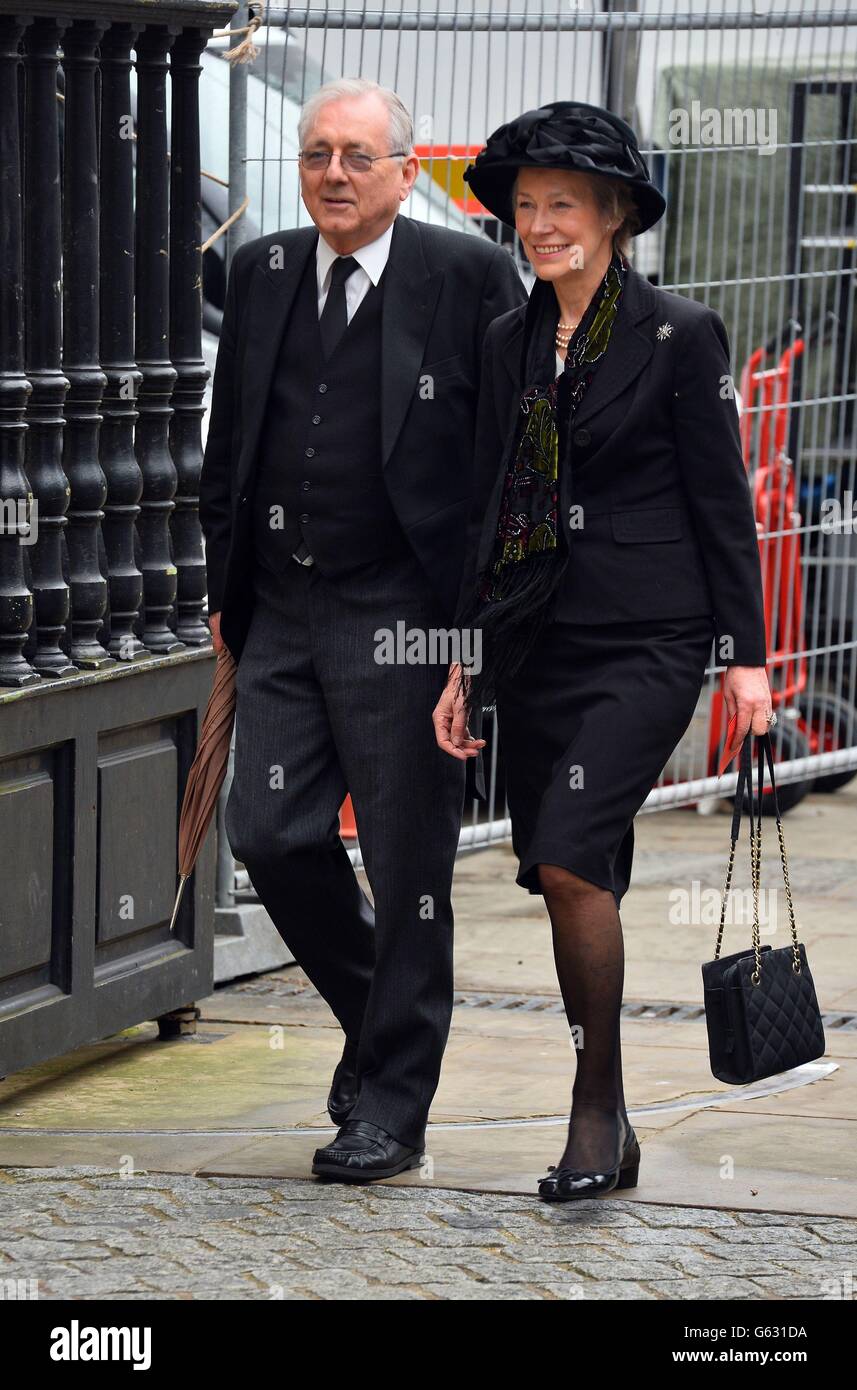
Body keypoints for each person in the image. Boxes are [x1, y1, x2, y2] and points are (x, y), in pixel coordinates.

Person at [432, 101, 772, 1202]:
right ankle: (610, 1113)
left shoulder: (679, 334)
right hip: (536, 643)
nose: (539, 225)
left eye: (562, 205)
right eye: (525, 207)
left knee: (572, 850)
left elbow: (723, 509)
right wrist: (462, 662)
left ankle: (590, 1113)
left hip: (649, 639)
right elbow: (486, 510)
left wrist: (746, 660)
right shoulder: (504, 342)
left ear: (613, 214)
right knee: (570, 874)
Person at [199, 79, 525, 1183]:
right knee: (270, 832)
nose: (331, 173)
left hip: (404, 622)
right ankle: (381, 1012)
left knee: (406, 862)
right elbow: (227, 441)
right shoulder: (262, 272)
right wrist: (220, 589)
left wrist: (468, 640)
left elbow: (501, 472)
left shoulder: (468, 278)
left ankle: (390, 1109)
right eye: (315, 153)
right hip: (283, 609)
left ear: (400, 173)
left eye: (355, 156)